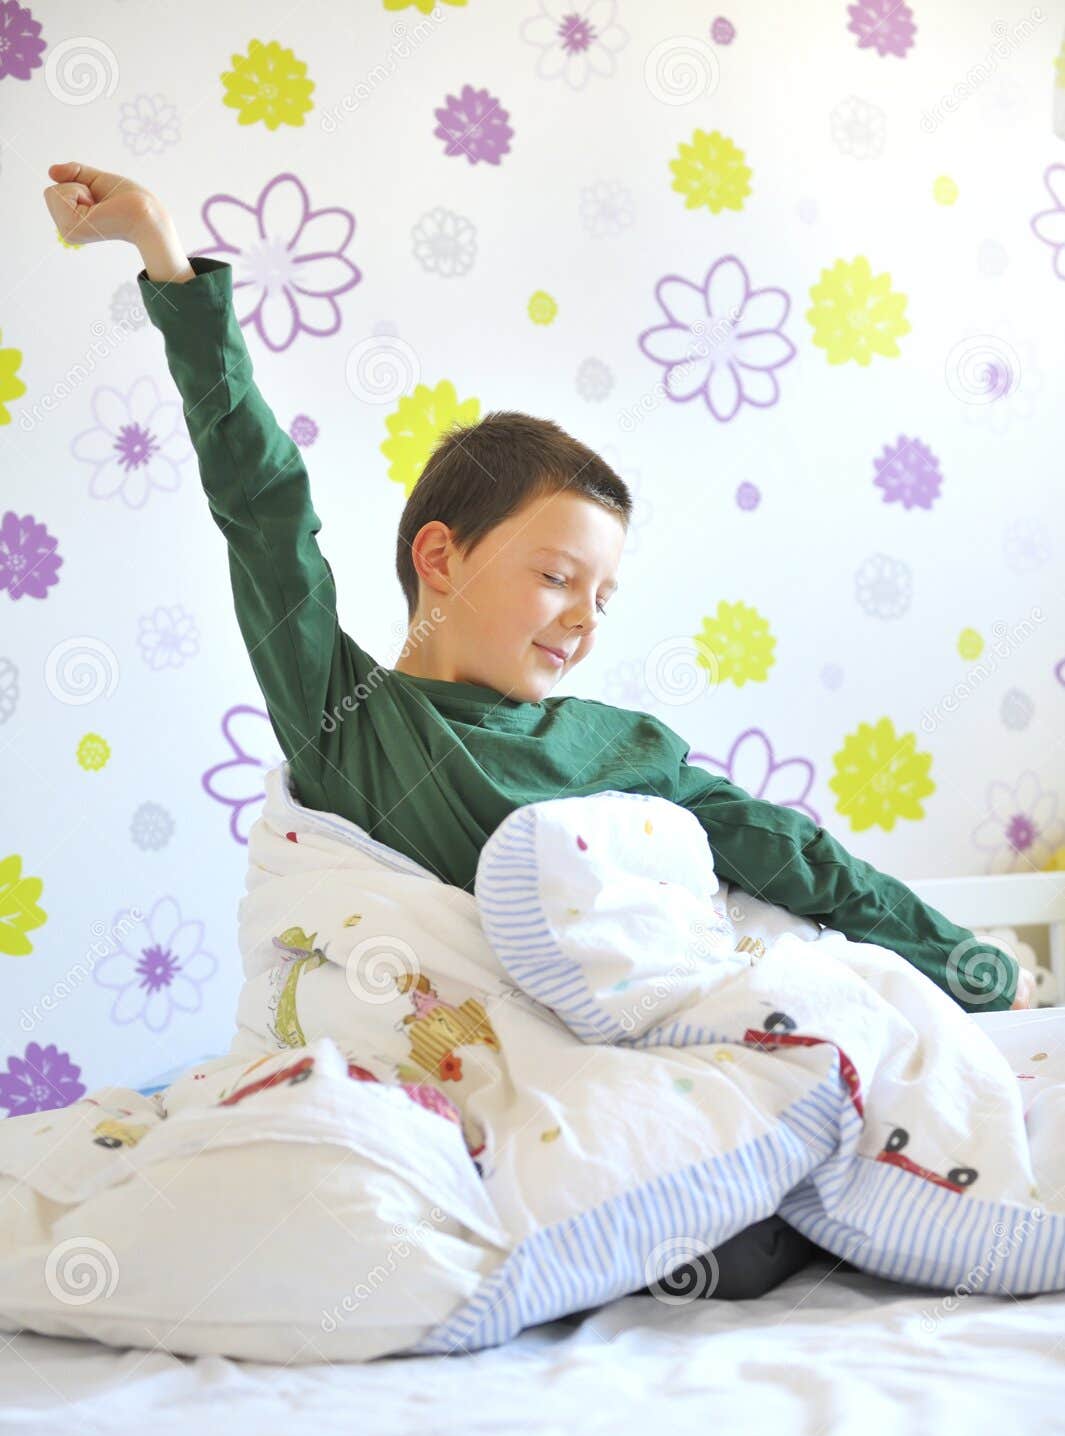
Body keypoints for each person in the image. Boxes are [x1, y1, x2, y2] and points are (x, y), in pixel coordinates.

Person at [43, 162, 1034, 1020]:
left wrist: (972, 965)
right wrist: (163, 255)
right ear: (441, 557)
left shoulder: (615, 747)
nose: (581, 617)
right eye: (557, 577)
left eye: (602, 598)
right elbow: (263, 509)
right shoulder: (351, 722)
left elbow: (790, 854)